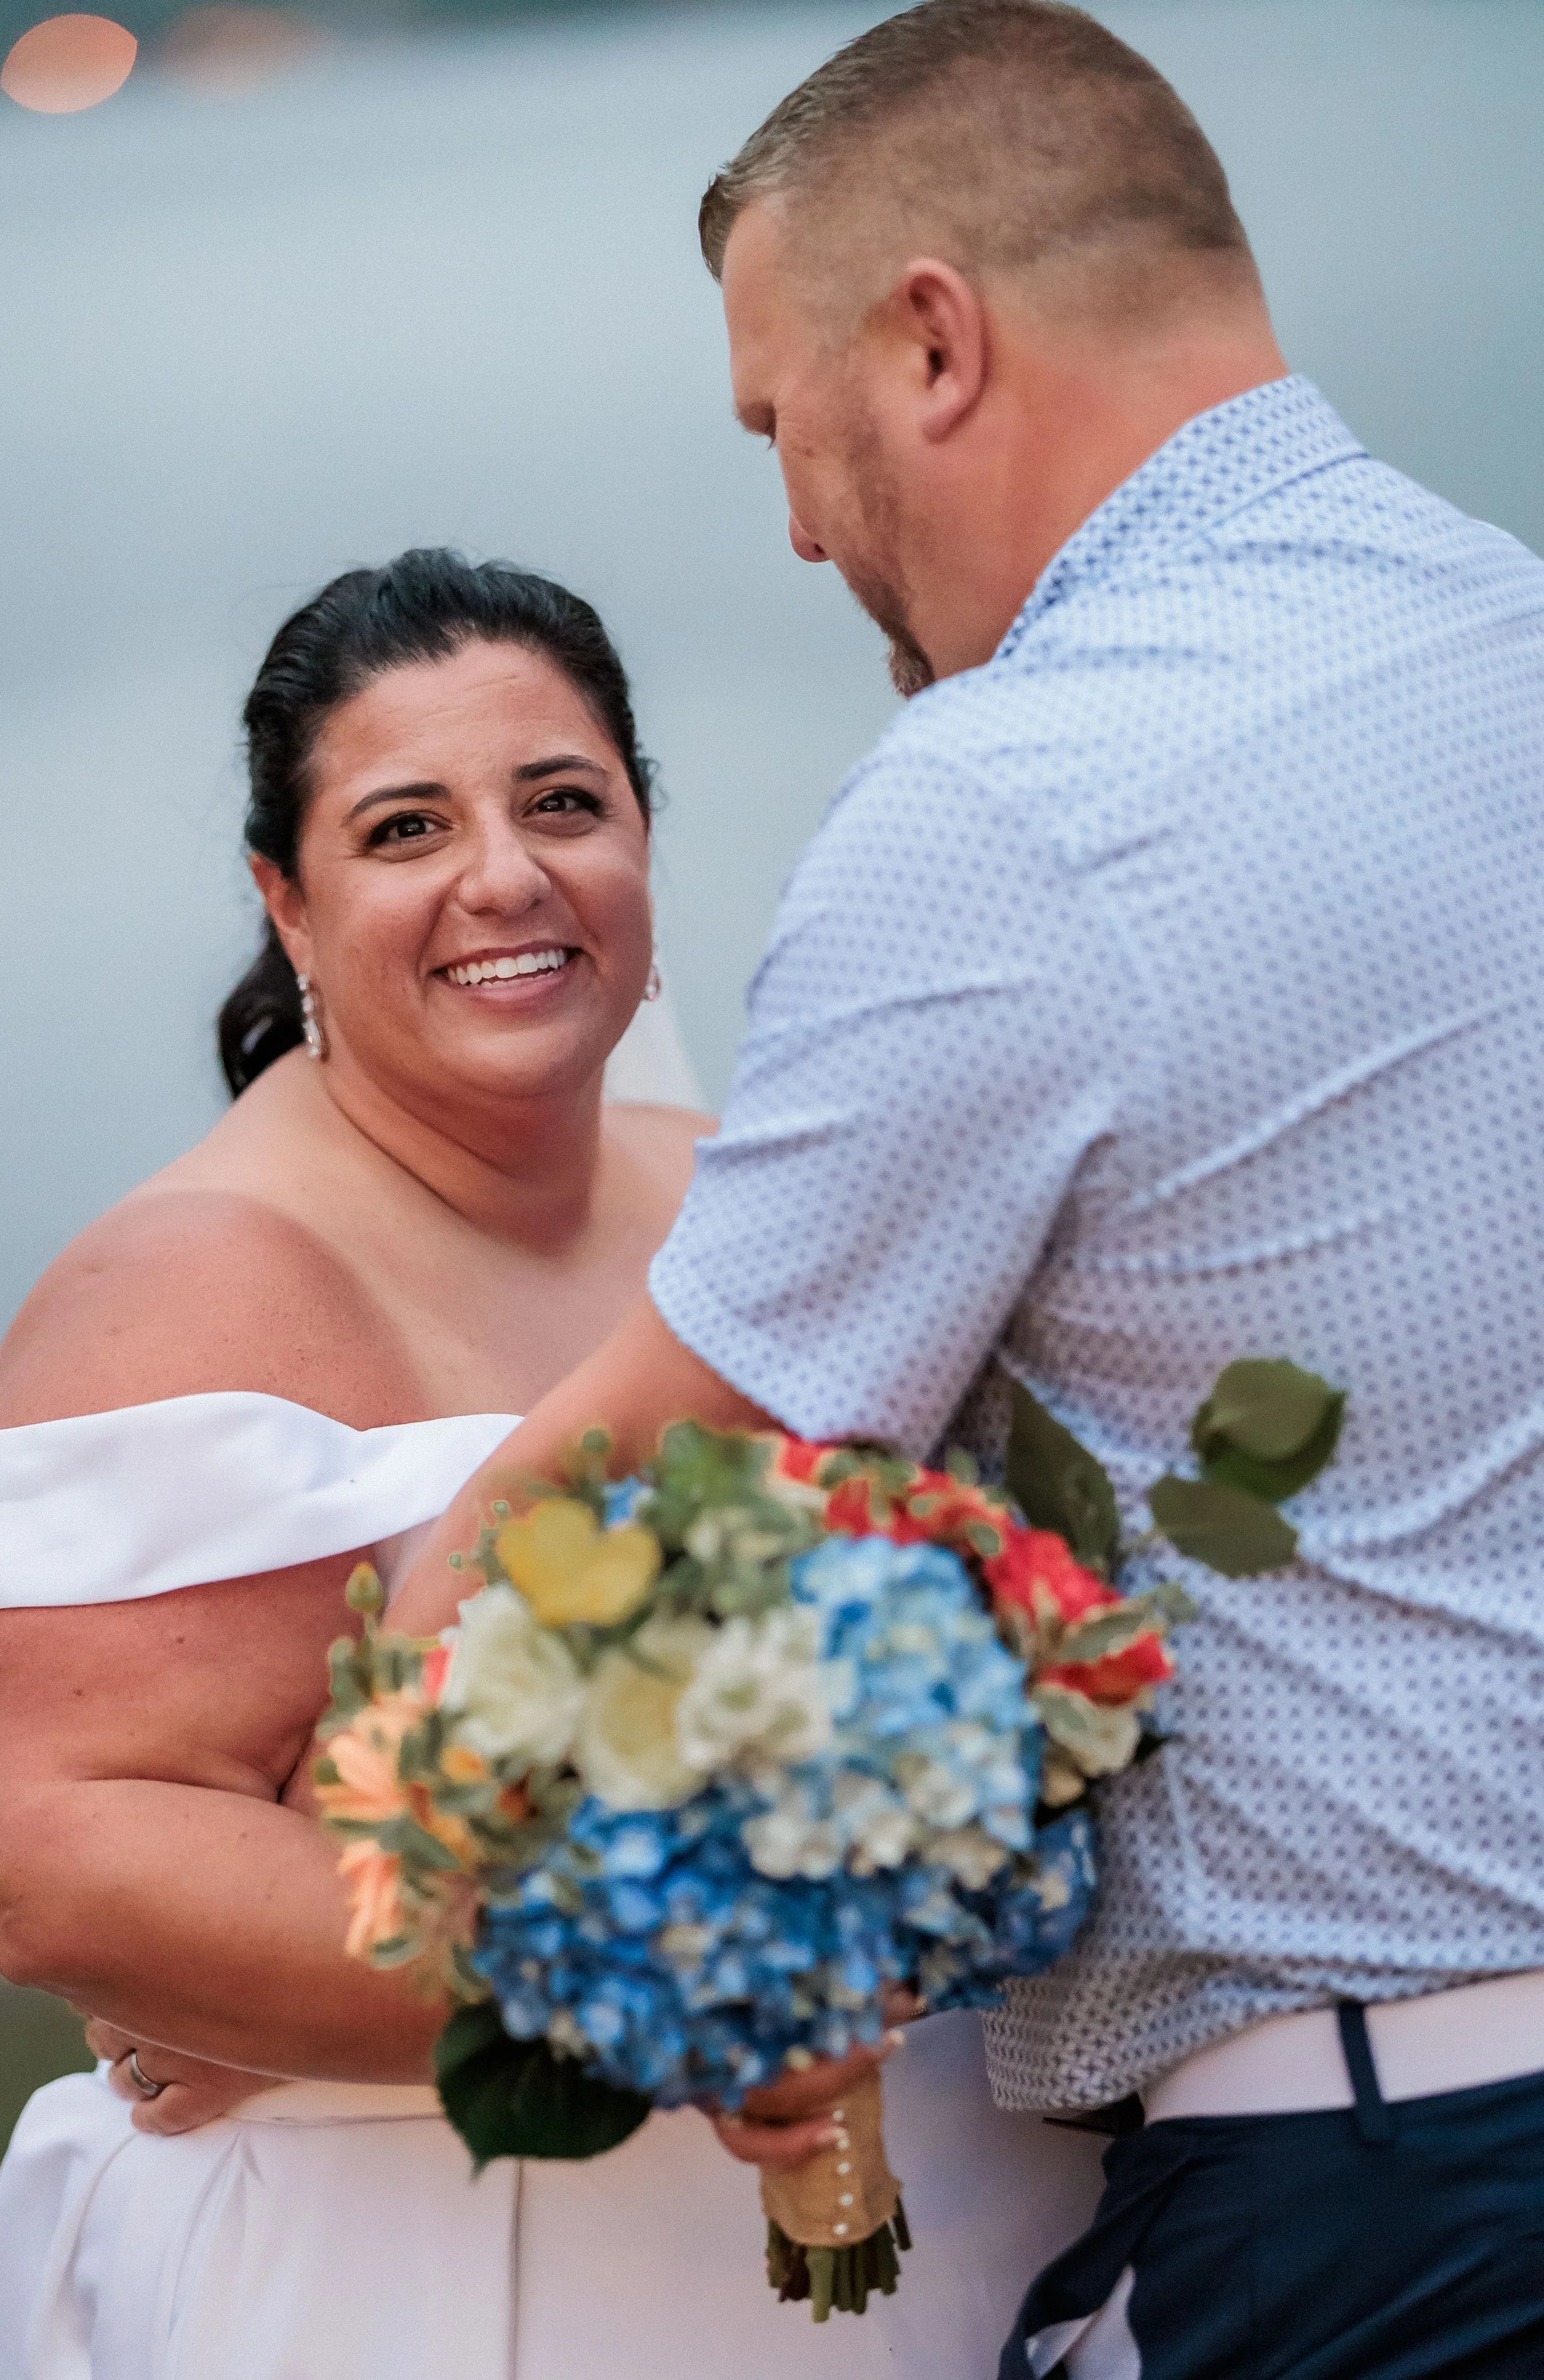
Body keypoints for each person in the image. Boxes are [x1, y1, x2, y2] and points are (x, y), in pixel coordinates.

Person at [381, 7, 1544, 2377]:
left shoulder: (1008, 811)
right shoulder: (1504, 625)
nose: (798, 525)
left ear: (930, 342)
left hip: (1392, 2202)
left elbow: (582, 1529)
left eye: (775, 432)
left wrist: (372, 1878)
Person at [0, 547, 1102, 2380]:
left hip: (939, 2232)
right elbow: (70, 1866)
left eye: (563, 803)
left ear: (645, 845)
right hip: (436, 2276)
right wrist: (678, 1982)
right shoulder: (180, 1289)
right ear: (285, 898)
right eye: (405, 826)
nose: (503, 877)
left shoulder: (747, 1194)